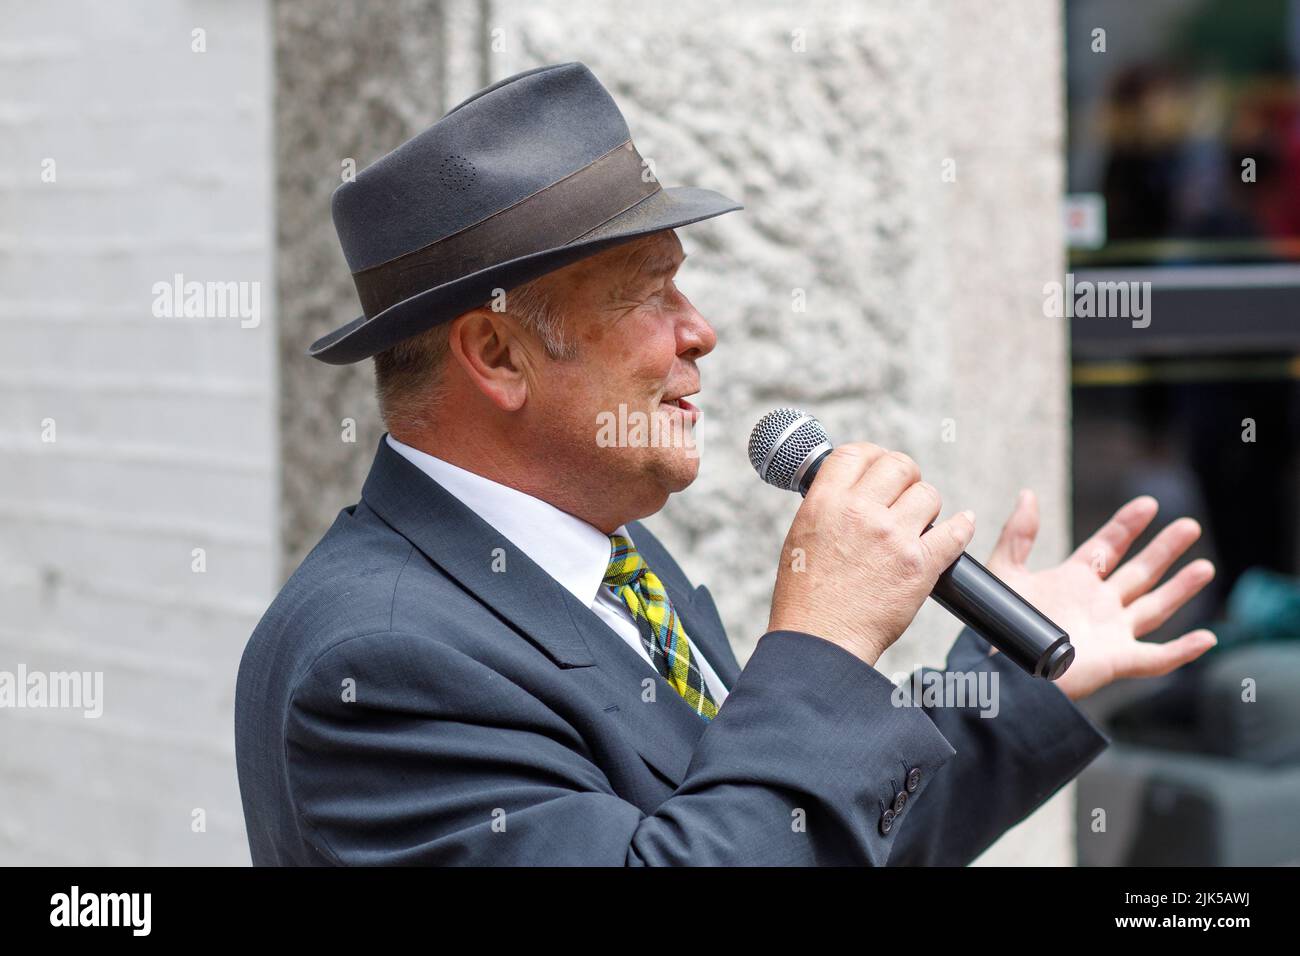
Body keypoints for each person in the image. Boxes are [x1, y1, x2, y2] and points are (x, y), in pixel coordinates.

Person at [235, 62, 1217, 865]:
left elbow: (800, 836)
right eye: (646, 293)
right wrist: (822, 641)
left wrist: (1008, 682)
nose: (698, 331)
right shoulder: (374, 660)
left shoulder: (615, 567)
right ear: (497, 356)